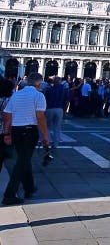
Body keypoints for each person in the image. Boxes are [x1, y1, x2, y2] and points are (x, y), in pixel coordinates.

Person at [2, 73, 50, 205]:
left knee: (24, 159)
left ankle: (29, 188)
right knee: (22, 162)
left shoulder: (16, 95)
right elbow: (40, 117)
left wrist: (7, 133)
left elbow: (7, 115)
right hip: (29, 131)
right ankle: (9, 195)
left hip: (16, 131)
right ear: (39, 84)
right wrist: (45, 136)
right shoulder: (39, 95)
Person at [43, 76, 68, 150]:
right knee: (57, 127)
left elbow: (44, 100)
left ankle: (47, 142)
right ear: (60, 82)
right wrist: (65, 110)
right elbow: (66, 101)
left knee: (47, 127)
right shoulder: (64, 90)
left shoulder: (48, 89)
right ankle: (55, 144)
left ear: (53, 82)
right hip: (59, 109)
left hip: (49, 109)